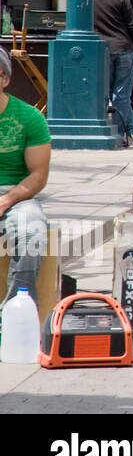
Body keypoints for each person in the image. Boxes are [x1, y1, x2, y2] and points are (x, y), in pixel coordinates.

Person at [0, 49, 50, 310]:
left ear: (5, 79)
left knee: (32, 232)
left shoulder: (30, 118)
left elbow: (38, 176)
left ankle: (15, 315)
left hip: (16, 195)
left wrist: (6, 200)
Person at [93, 0, 133, 146]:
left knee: (105, 93)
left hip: (101, 51)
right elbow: (132, 25)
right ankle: (124, 132)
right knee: (121, 95)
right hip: (123, 48)